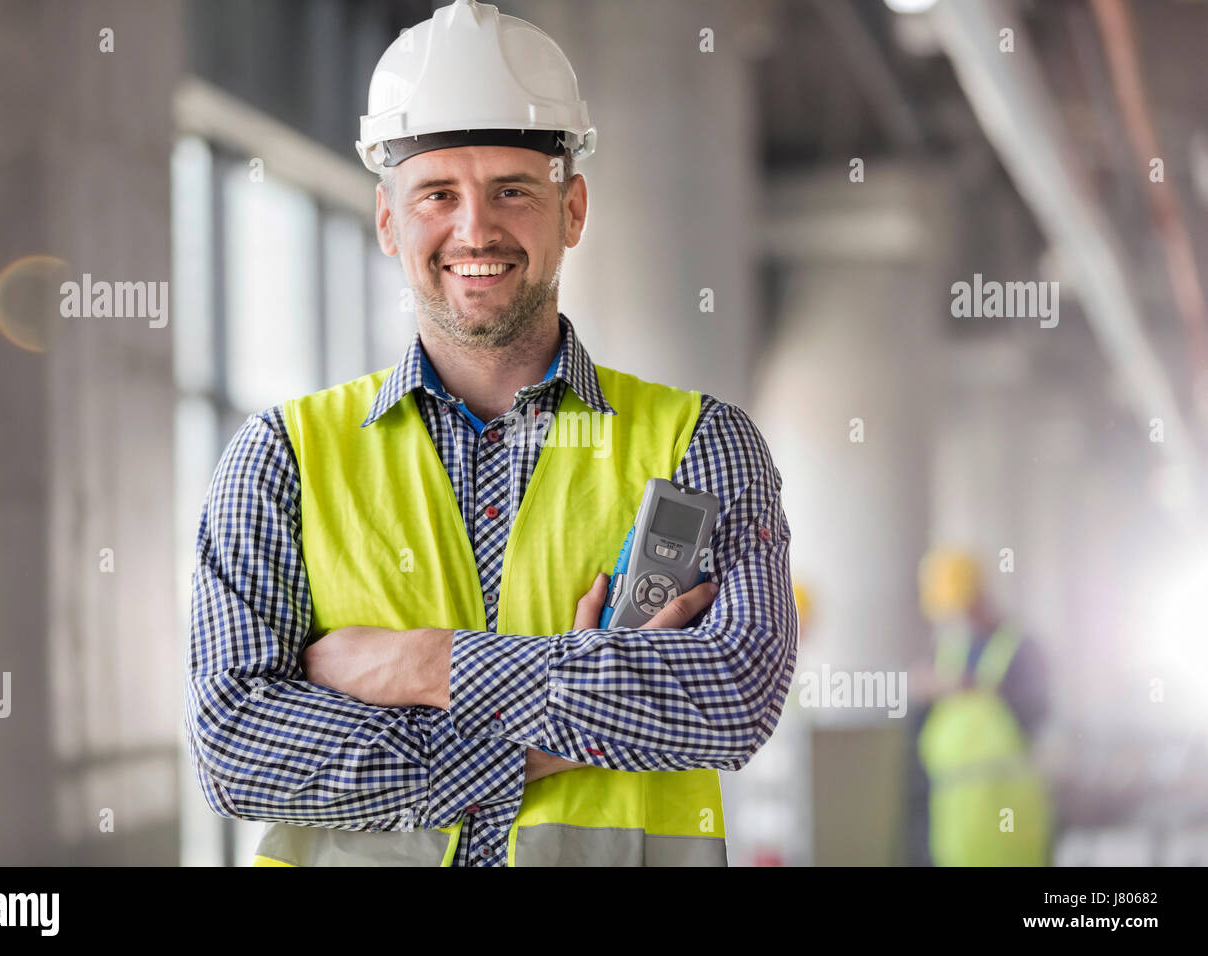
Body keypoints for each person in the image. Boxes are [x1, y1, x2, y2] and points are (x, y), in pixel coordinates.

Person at [183, 0, 797, 867]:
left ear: (572, 209)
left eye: (513, 189)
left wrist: (421, 664)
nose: (475, 229)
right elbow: (237, 750)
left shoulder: (702, 443)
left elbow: (732, 698)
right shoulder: (281, 458)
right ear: (389, 221)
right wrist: (561, 728)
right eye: (438, 194)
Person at [908, 548, 1052, 866]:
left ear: (979, 596)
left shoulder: (1020, 648)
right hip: (955, 832)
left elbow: (1038, 716)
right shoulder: (945, 651)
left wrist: (977, 689)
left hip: (1012, 828)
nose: (956, 617)